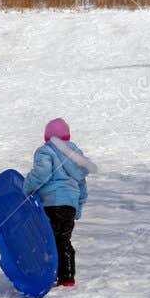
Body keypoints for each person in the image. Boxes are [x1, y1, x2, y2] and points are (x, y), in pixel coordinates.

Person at [22, 117, 98, 288]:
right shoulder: (77, 158)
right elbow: (82, 187)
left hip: (51, 203)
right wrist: (77, 208)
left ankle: (51, 275)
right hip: (69, 206)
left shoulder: (45, 151)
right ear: (68, 137)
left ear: (47, 137)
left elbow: (42, 173)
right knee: (64, 240)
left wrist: (27, 187)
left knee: (48, 240)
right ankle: (68, 276)